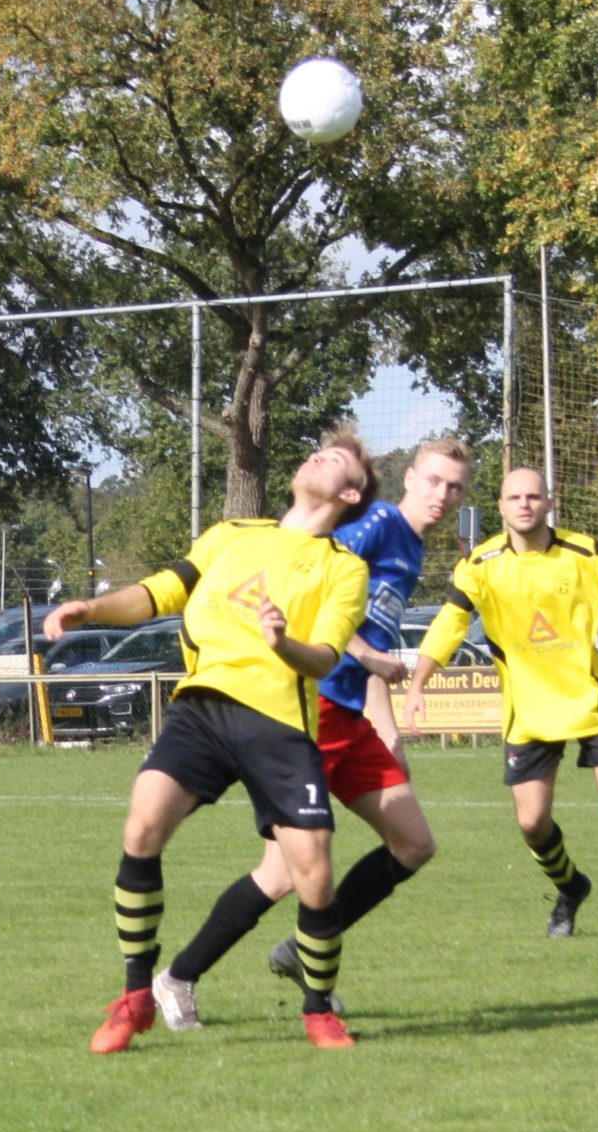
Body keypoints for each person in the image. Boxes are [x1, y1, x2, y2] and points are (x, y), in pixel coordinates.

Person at [43, 435, 374, 1052]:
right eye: (317, 452)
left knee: (314, 874)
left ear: (351, 494)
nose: (317, 456)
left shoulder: (343, 567)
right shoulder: (231, 534)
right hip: (202, 709)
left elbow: (325, 657)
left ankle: (317, 1010)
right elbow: (159, 591)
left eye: (336, 460)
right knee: (142, 826)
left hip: (277, 722)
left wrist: (282, 645)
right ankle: (136, 998)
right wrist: (91, 608)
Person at [151, 439, 473, 1024]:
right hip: (308, 710)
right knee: (280, 874)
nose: (442, 494)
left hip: (349, 716)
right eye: (433, 480)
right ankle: (177, 978)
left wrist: (383, 714)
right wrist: (369, 655)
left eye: (454, 487)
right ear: (409, 480)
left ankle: (302, 950)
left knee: (414, 843)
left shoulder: (414, 547)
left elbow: (361, 632)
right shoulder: (374, 523)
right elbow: (317, 582)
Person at [404, 467, 598, 941]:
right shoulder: (481, 564)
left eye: (533, 496)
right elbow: (449, 623)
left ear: (549, 501)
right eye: (514, 497)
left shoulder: (583, 553)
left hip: (591, 701)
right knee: (531, 823)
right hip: (527, 712)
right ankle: (571, 889)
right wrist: (419, 683)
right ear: (500, 507)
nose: (524, 504)